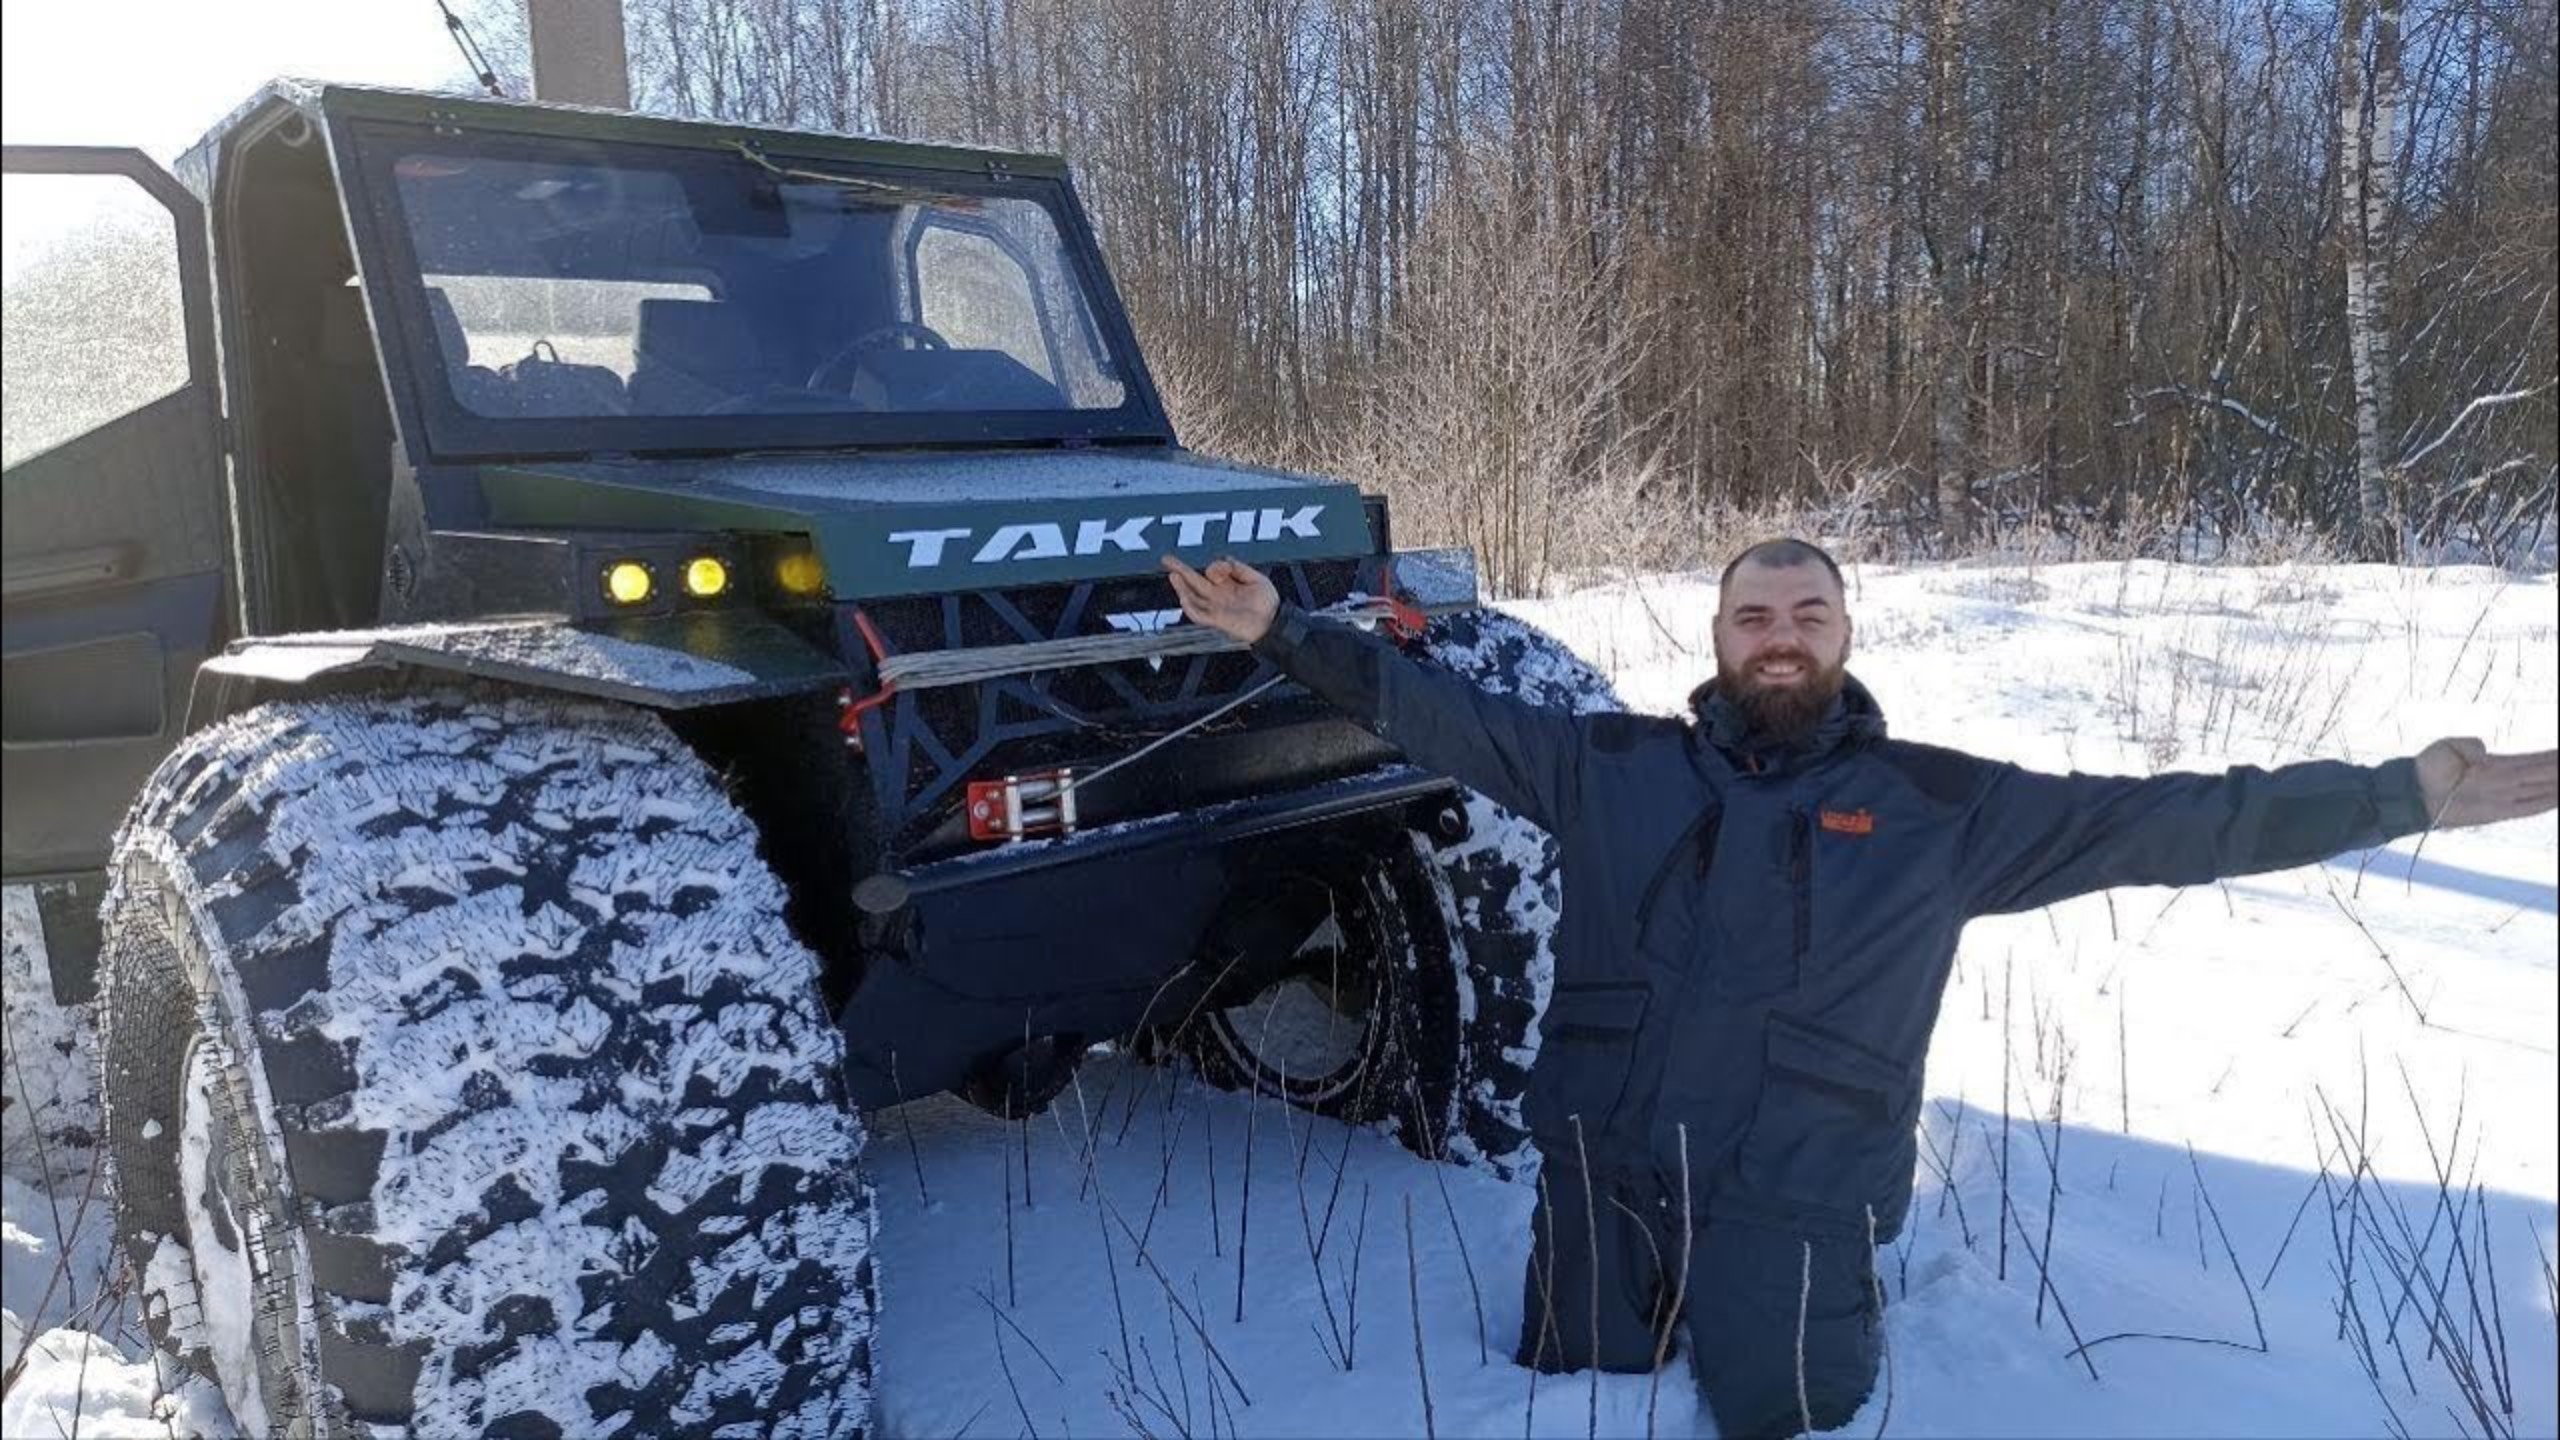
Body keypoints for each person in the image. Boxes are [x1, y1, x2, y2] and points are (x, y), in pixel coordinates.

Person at [1161, 540, 2556, 1438]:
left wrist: (2403, 793)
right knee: (1570, 1399)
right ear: (1716, 636)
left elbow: (2183, 818)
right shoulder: (1609, 768)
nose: (1780, 634)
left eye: (1806, 612)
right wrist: (1286, 629)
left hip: (1799, 1188)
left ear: (1844, 631)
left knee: (1796, 1416)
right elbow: (1441, 713)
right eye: (1753, 613)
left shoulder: (1940, 807)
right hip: (1607, 1167)